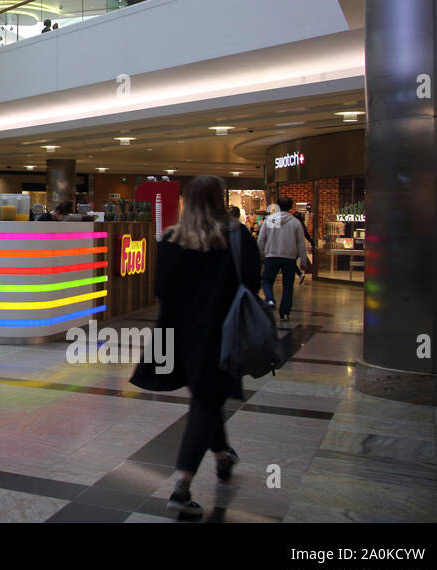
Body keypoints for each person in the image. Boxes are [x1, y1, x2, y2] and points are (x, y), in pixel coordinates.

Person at [135, 174, 261, 519]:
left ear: (187, 201)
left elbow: (162, 289)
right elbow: (252, 282)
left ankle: (222, 456)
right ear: (220, 200)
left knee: (206, 399)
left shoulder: (171, 240)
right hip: (220, 337)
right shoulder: (235, 238)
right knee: (206, 403)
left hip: (176, 337)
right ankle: (181, 486)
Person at [257, 196, 307, 322]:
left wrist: (259, 254)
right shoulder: (295, 223)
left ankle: (269, 299)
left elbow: (261, 239)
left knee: (267, 281)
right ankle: (284, 312)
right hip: (289, 258)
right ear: (291, 207)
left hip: (271, 256)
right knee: (288, 286)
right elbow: (301, 243)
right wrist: (303, 260)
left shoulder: (270, 220)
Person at [292, 210, 315, 285]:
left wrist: (312, 243)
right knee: (291, 262)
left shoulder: (297, 226)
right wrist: (312, 243)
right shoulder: (301, 225)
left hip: (295, 247)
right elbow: (307, 236)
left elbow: (306, 236)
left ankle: (300, 274)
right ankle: (300, 274)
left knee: (290, 262)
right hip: (297, 247)